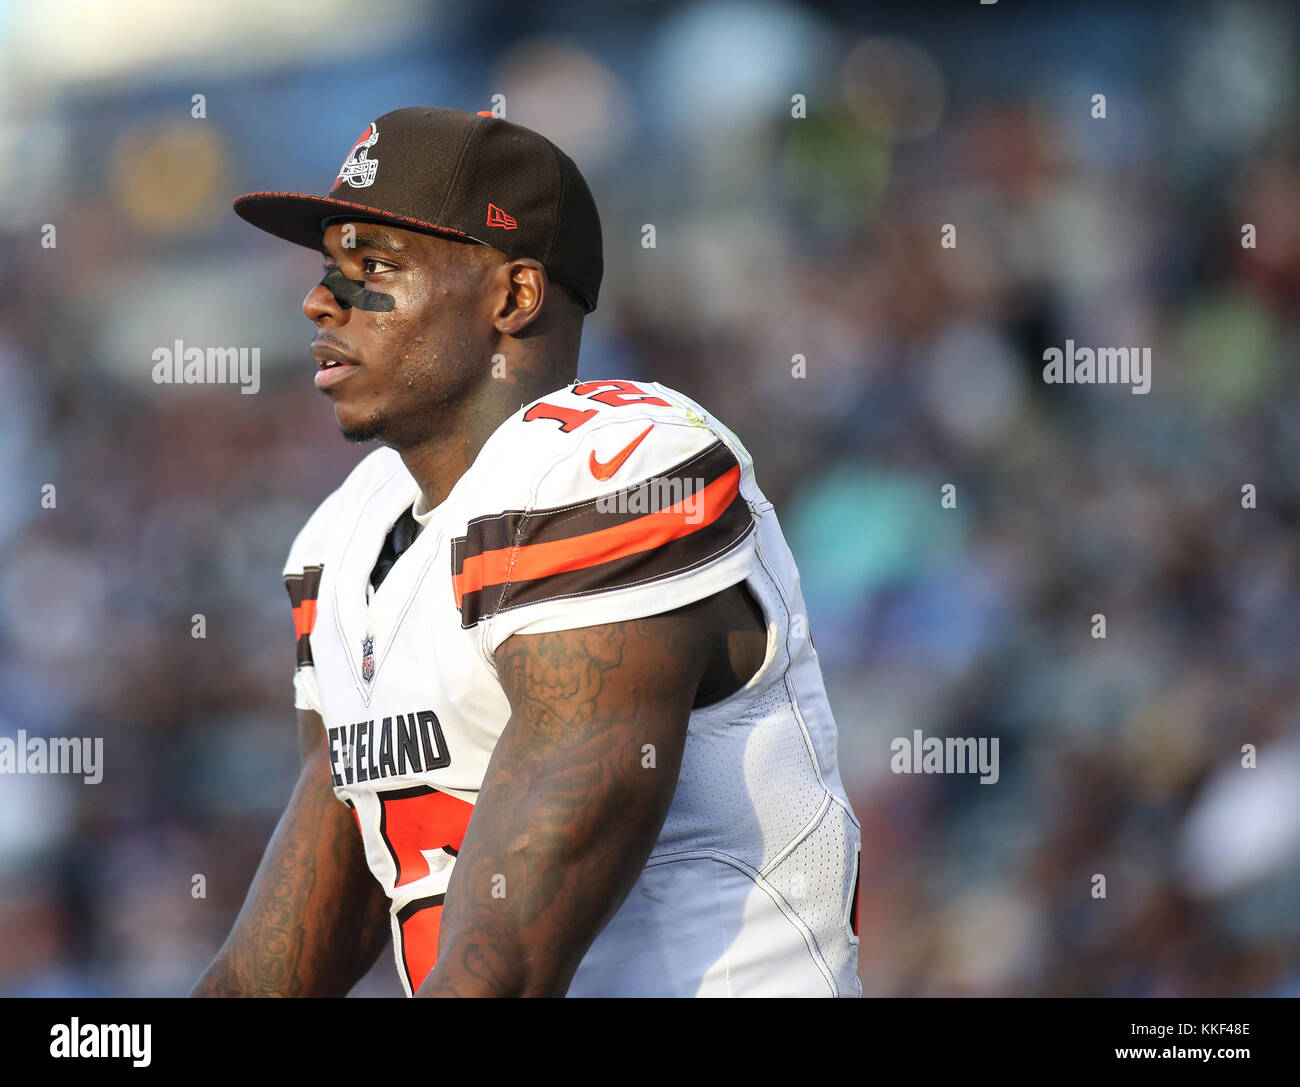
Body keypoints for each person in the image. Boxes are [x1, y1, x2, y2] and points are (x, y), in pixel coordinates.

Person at [191, 106, 861, 998]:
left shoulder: (613, 468)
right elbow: (265, 977)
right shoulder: (349, 535)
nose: (321, 301)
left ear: (513, 297)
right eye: (329, 268)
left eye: (373, 267)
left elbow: (500, 969)